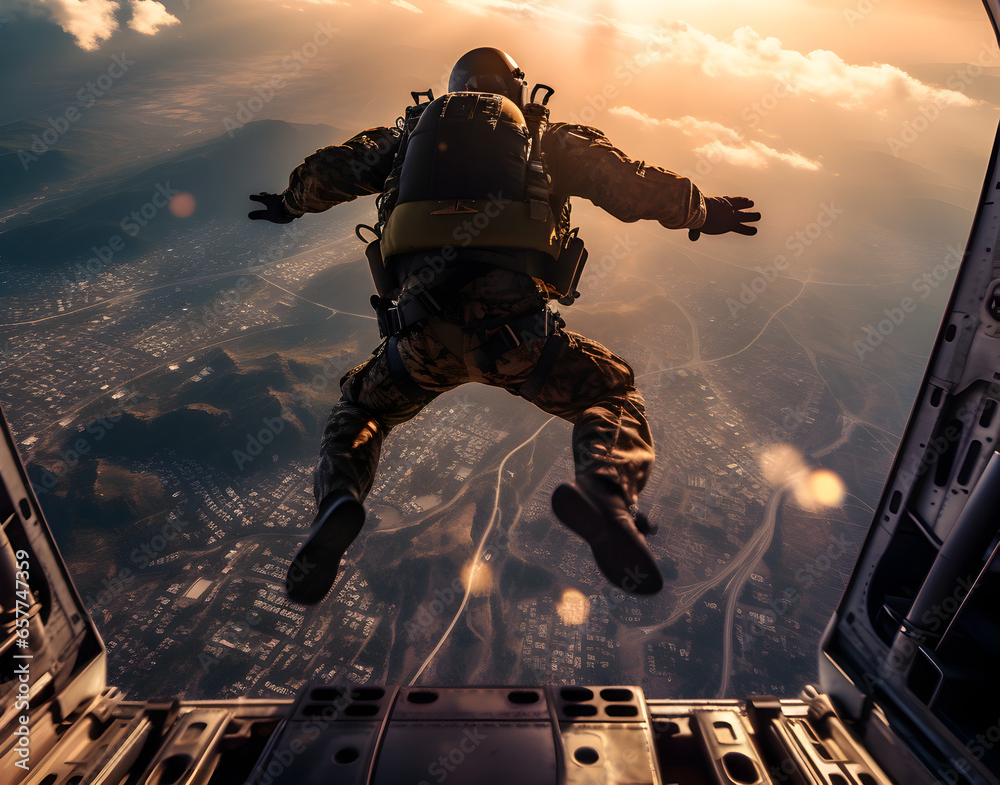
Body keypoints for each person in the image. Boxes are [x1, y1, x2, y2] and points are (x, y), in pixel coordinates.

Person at [249, 47, 759, 605]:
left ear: (453, 87)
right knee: (609, 395)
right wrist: (703, 212)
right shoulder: (551, 139)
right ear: (518, 90)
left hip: (420, 337)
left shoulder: (405, 139)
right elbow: (630, 185)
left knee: (361, 409)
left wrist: (286, 204)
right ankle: (606, 494)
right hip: (519, 337)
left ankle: (338, 501)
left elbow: (327, 174)